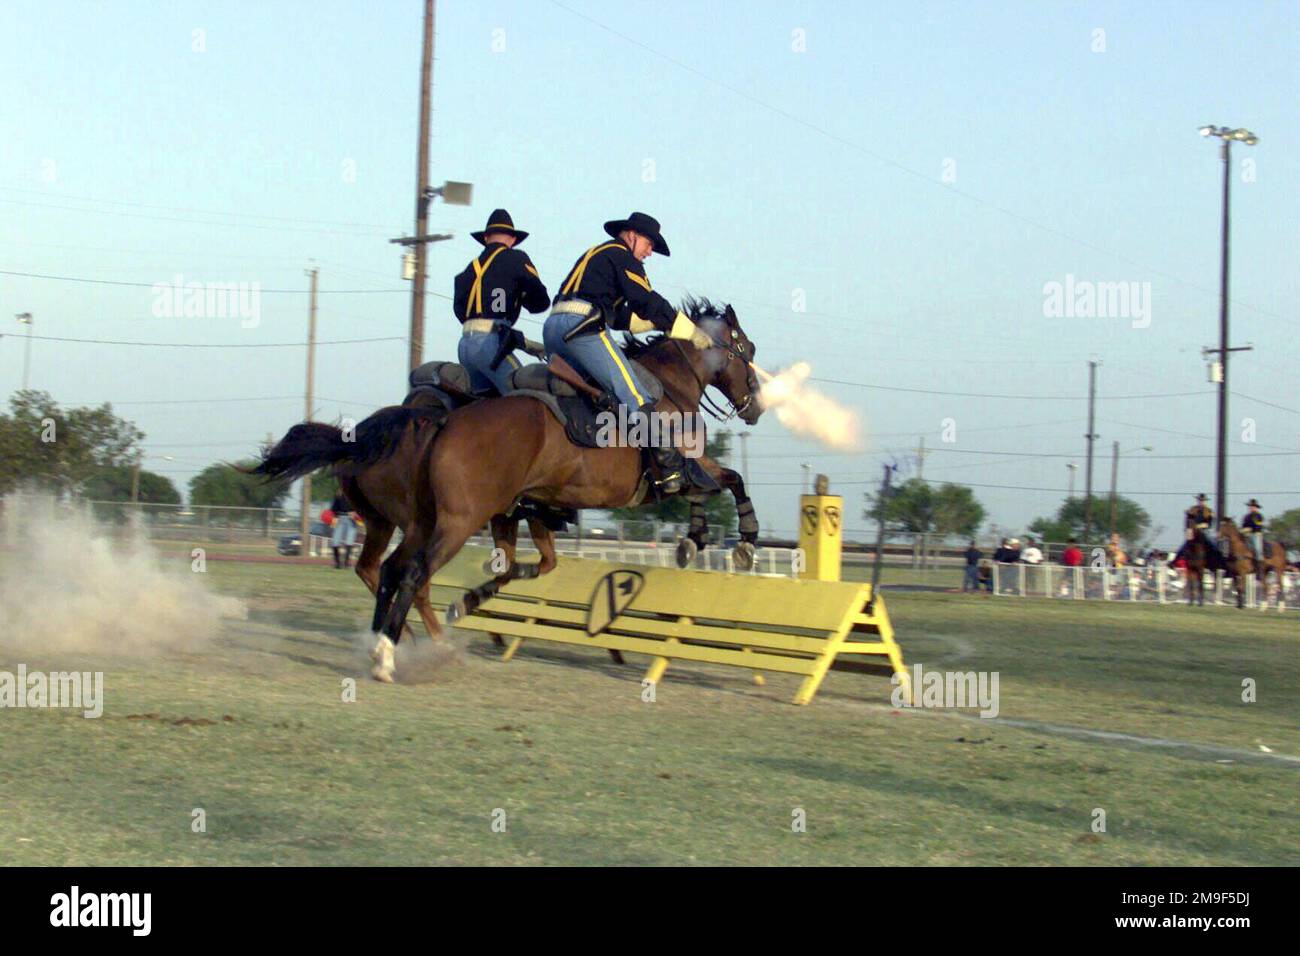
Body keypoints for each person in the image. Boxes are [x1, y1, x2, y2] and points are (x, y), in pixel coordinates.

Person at [543, 211, 716, 495]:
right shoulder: (622, 256)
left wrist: (667, 325)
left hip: (555, 327)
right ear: (633, 235)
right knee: (635, 394)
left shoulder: (599, 255)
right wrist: (690, 331)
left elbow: (623, 317)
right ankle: (669, 465)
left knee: (589, 394)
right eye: (649, 245)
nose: (649, 253)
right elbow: (646, 301)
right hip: (581, 329)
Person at [453, 209, 550, 396]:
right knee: (526, 397)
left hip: (465, 345)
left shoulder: (468, 271)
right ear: (512, 240)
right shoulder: (516, 258)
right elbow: (540, 302)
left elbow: (459, 310)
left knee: (483, 405)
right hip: (492, 344)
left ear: (486, 238)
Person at [329, 493, 358, 569]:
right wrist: (334, 517)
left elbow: (361, 508)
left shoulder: (355, 495)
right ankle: (338, 563)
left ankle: (346, 563)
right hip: (340, 519)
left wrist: (355, 512)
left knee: (349, 541)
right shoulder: (338, 495)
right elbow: (333, 509)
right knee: (335, 542)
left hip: (351, 520)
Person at [1242, 499, 1265, 565]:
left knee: (1257, 549)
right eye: (1250, 506)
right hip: (1247, 535)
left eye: (1253, 506)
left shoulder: (1258, 516)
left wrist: (1250, 529)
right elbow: (1244, 525)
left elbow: (1258, 526)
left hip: (1256, 534)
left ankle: (1259, 563)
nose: (1251, 508)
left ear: (1256, 507)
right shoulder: (1246, 517)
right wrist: (1243, 530)